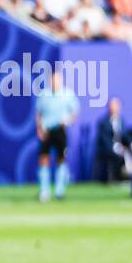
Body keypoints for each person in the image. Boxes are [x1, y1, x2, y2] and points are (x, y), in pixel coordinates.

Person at [36, 69, 79, 201]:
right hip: (47, 130)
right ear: (50, 80)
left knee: (61, 158)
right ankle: (45, 191)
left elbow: (74, 112)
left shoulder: (68, 94)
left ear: (61, 81)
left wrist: (67, 120)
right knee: (44, 159)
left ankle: (60, 190)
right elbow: (39, 113)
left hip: (60, 130)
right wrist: (39, 129)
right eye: (53, 79)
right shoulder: (44, 94)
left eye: (57, 79)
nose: (55, 82)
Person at [94, 97, 129, 182]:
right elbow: (105, 141)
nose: (114, 108)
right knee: (117, 156)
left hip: (120, 148)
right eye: (112, 105)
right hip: (107, 150)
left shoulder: (121, 121)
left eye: (116, 105)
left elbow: (126, 136)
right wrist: (117, 148)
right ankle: (115, 179)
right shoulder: (103, 122)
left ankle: (128, 178)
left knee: (128, 153)